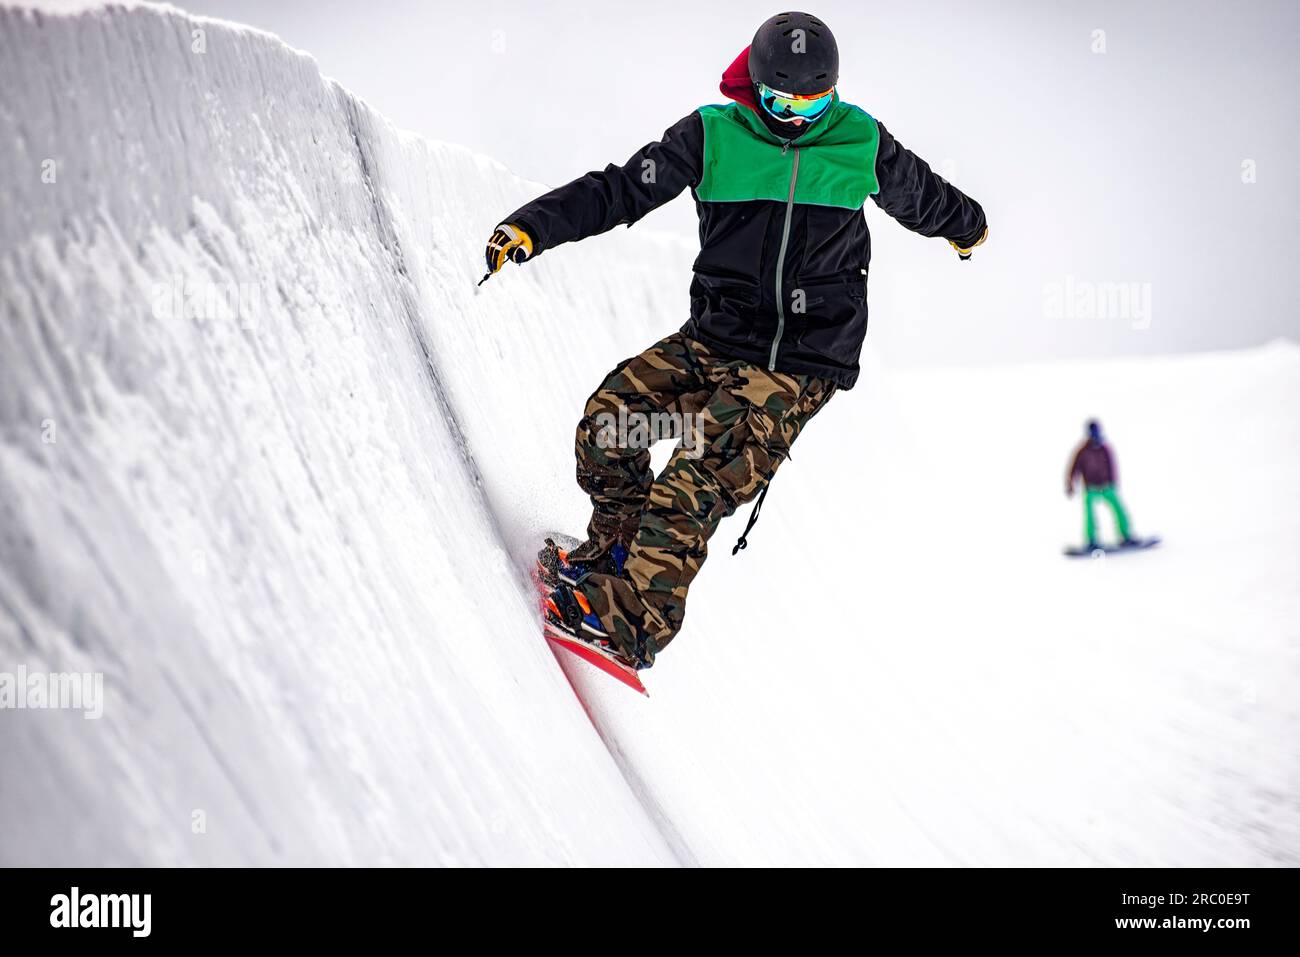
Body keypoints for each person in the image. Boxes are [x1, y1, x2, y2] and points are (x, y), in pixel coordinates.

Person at [485, 12, 988, 669]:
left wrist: (968, 227)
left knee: (694, 477)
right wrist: (533, 227)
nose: (800, 119)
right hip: (714, 342)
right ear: (755, 87)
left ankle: (631, 622)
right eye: (783, 103)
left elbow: (926, 197)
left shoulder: (860, 140)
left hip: (799, 364)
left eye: (816, 104)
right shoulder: (711, 135)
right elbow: (618, 191)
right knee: (613, 422)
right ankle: (616, 547)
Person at [1066, 420, 1138, 549]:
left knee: (1119, 508)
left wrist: (1113, 482)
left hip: (1106, 486)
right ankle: (1091, 540)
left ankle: (1125, 534)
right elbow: (1073, 468)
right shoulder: (1082, 451)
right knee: (1089, 513)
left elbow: (1112, 466)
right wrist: (1070, 484)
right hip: (1091, 488)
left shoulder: (1105, 449)